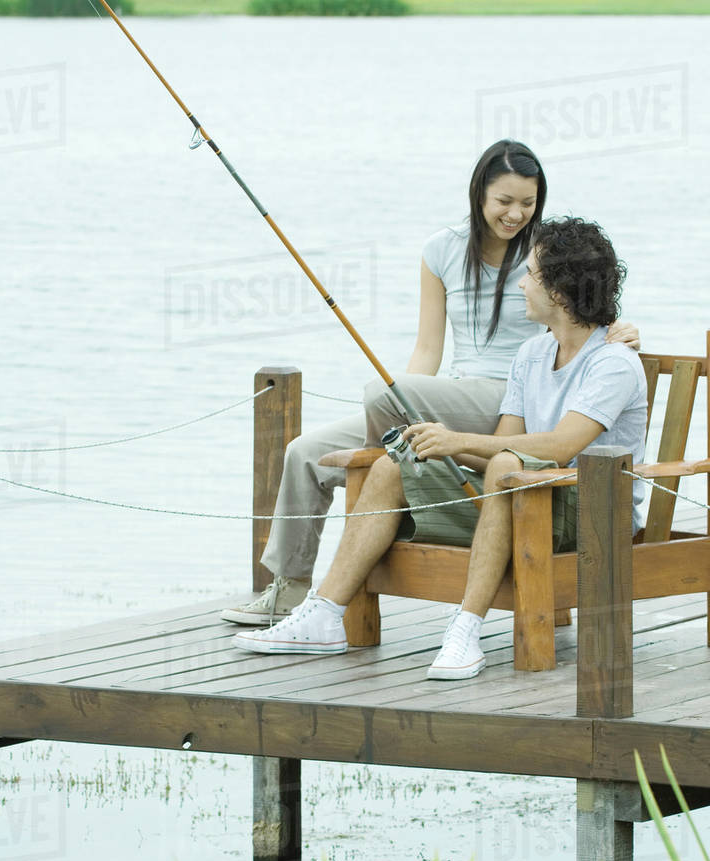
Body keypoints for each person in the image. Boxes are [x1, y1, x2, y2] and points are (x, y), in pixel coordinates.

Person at [221, 140, 639, 626]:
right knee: (304, 452)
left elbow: (582, 314)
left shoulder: (543, 255)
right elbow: (427, 351)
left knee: (383, 403)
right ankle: (290, 589)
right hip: (456, 396)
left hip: (510, 404)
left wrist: (624, 330)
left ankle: (396, 466)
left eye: (528, 202)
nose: (516, 214)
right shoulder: (442, 249)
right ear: (479, 194)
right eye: (505, 201)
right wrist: (404, 407)